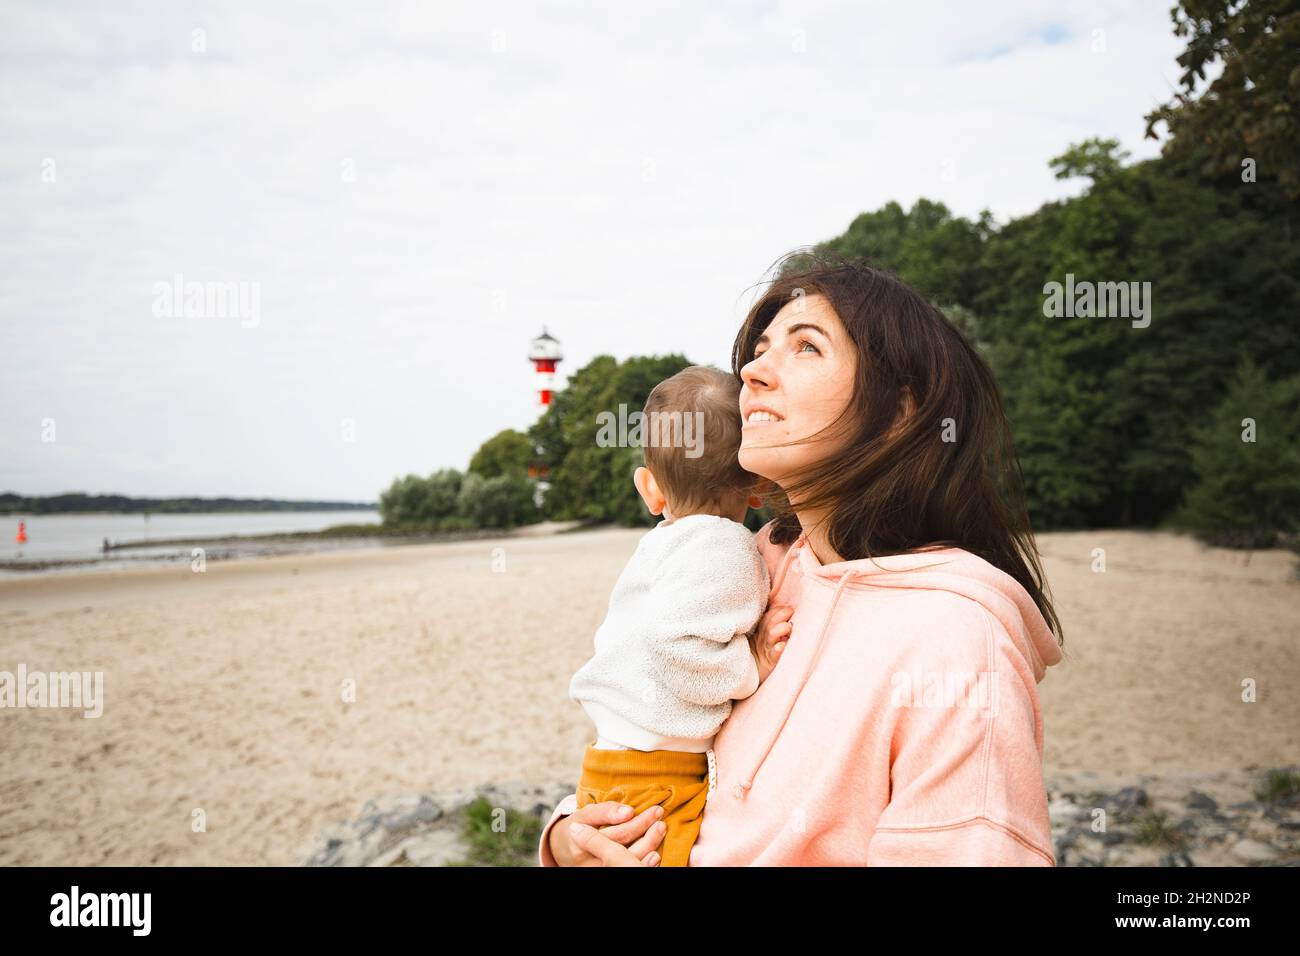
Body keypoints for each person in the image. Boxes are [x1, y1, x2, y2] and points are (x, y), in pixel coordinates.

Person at [537, 255, 1065, 866]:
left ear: (898, 413)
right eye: (759, 350)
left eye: (806, 347)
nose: (755, 372)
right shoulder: (748, 563)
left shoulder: (957, 639)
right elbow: (656, 723)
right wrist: (570, 837)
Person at [566, 365, 793, 866]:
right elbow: (675, 647)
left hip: (613, 760)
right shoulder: (722, 546)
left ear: (649, 488)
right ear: (756, 484)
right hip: (657, 777)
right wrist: (751, 665)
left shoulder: (663, 546)